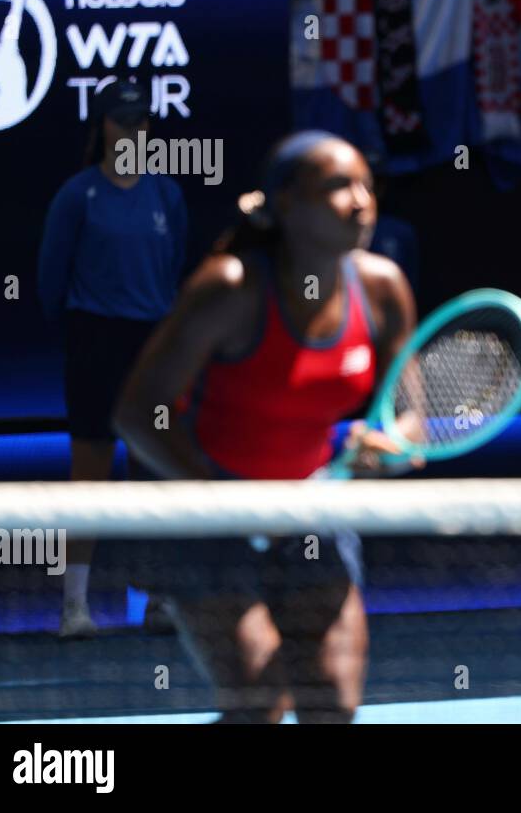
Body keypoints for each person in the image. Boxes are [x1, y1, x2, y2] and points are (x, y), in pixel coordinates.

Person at [113, 131, 418, 723]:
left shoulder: (382, 288)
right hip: (203, 516)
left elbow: (411, 417)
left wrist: (390, 445)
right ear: (285, 204)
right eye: (337, 187)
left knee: (332, 702)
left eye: (367, 186)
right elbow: (137, 412)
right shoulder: (229, 288)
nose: (361, 202)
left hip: (312, 508)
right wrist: (224, 501)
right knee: (262, 704)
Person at [37, 78, 187, 638]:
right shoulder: (78, 195)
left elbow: (171, 268)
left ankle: (157, 601)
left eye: (143, 121)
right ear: (100, 127)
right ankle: (73, 606)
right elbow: (50, 281)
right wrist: (87, 332)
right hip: (95, 345)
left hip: (150, 347)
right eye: (124, 121)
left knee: (155, 477)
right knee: (90, 477)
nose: (135, 130)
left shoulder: (166, 194)